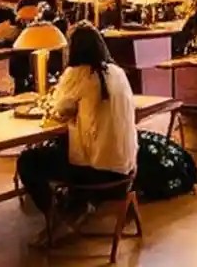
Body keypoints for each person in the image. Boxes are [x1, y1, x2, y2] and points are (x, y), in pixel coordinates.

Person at [17, 26, 138, 240]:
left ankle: (56, 216)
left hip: (96, 173)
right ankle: (76, 204)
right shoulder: (117, 72)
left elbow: (59, 110)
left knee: (28, 161)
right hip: (126, 170)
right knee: (65, 146)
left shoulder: (78, 73)